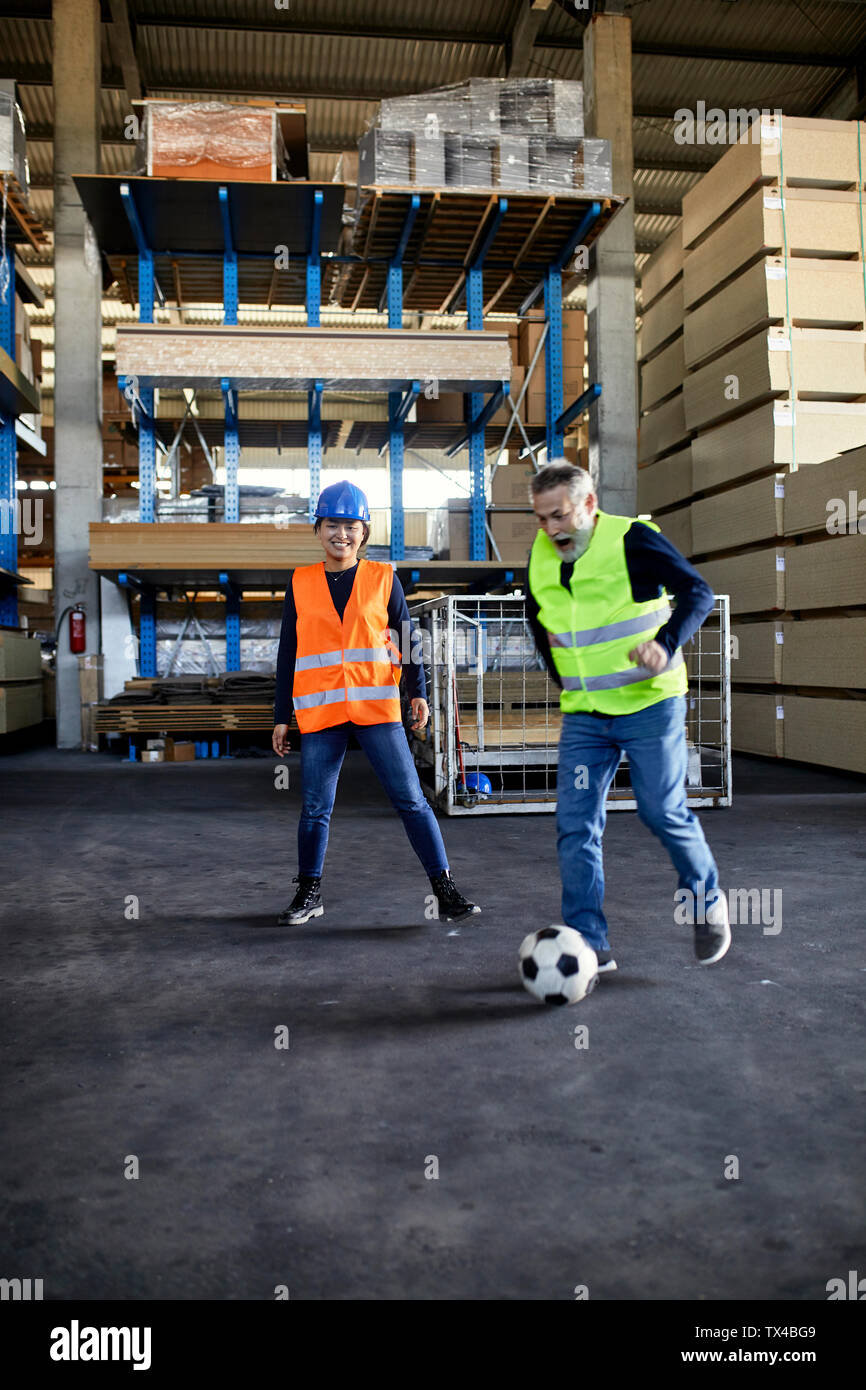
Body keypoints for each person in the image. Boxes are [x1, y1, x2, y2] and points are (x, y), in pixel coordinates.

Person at [525, 461, 730, 972]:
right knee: (575, 826)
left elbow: (697, 593)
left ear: (589, 505)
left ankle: (707, 903)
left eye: (561, 516)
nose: (551, 530)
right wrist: (563, 676)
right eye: (542, 519)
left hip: (649, 703)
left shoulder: (633, 540)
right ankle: (590, 942)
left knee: (660, 811)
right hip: (585, 714)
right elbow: (535, 613)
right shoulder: (541, 553)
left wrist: (665, 644)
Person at [272, 480, 480, 926]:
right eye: (332, 525)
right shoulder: (301, 581)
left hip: (376, 710)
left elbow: (407, 639)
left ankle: (445, 890)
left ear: (364, 531)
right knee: (314, 808)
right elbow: (288, 649)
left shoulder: (384, 578)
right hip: (321, 713)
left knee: (410, 801)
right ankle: (309, 893)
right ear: (318, 529)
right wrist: (280, 717)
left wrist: (418, 692)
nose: (340, 534)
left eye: (350, 526)